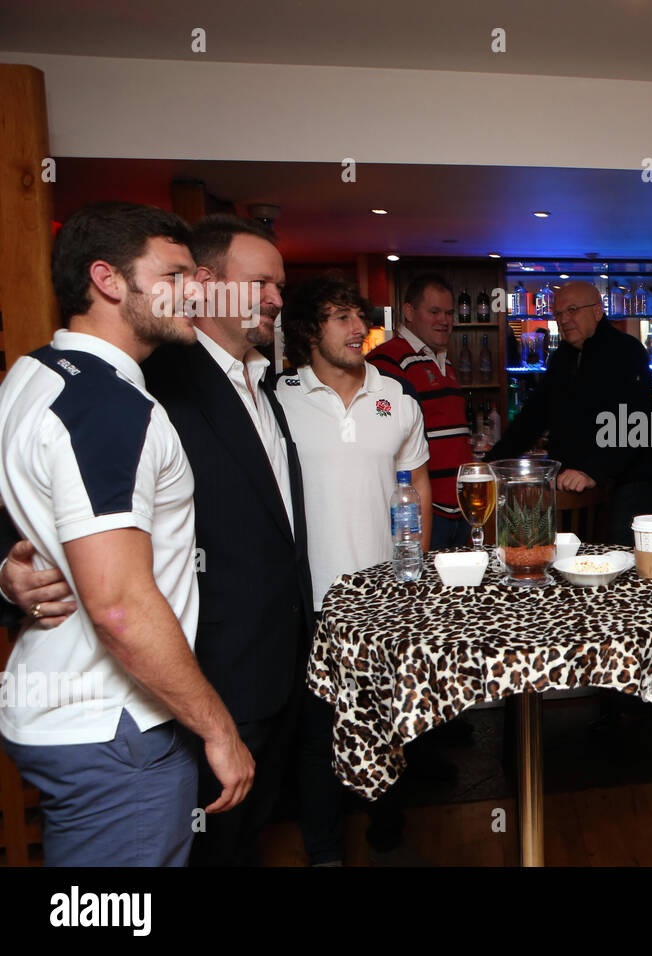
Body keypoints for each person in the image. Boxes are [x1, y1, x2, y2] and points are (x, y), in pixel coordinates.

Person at [0, 202, 254, 865]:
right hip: (114, 730)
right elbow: (117, 608)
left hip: (59, 711)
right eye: (172, 274)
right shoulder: (112, 408)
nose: (195, 290)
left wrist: (7, 570)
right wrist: (217, 727)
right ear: (108, 280)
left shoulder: (30, 376)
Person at [277, 274, 431, 866]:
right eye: (339, 316)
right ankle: (324, 852)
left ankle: (389, 832)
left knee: (389, 723)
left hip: (384, 597)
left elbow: (414, 479)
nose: (354, 328)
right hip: (311, 596)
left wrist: (411, 559)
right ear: (308, 330)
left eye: (357, 315)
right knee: (319, 735)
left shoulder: (397, 398)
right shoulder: (278, 398)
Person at [488, 280, 652, 546]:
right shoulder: (562, 357)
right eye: (558, 314)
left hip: (629, 484)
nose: (564, 320)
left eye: (572, 310)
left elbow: (637, 422)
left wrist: (592, 471)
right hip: (575, 487)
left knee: (620, 566)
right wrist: (492, 463)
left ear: (597, 311)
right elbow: (534, 416)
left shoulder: (625, 350)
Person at [365, 273, 473, 549]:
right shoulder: (386, 360)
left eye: (449, 312)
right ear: (409, 312)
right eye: (434, 311)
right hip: (426, 513)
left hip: (459, 511)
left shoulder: (443, 362)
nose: (445, 320)